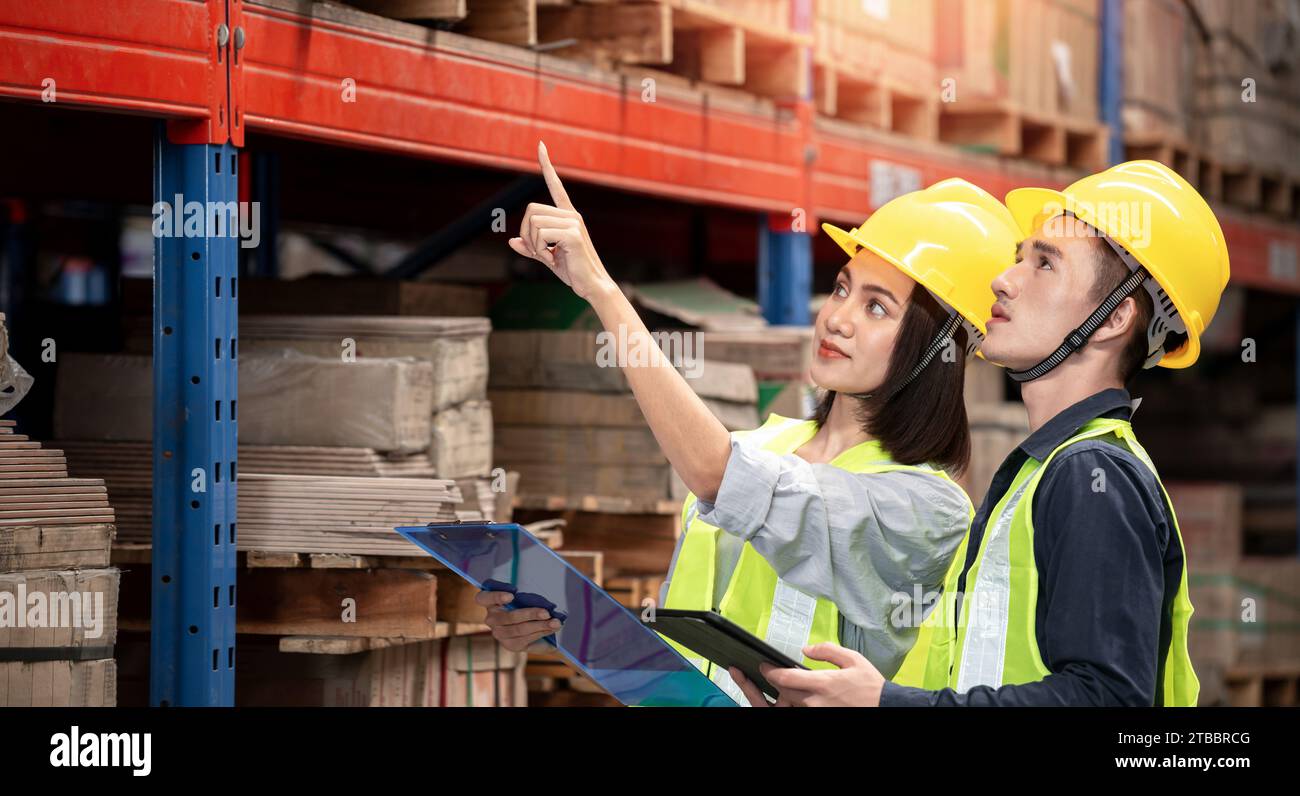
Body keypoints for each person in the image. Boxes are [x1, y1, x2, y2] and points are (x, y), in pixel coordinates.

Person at [475, 141, 1020, 705]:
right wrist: (558, 623)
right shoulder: (762, 445)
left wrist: (602, 291)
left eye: (876, 306)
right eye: (841, 288)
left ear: (935, 351)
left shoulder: (928, 509)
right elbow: (681, 667)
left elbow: (720, 475)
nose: (837, 318)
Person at [731, 160, 1228, 707]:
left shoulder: (1092, 476)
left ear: (1113, 319)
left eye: (1044, 264)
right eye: (1020, 257)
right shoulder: (1044, 472)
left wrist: (884, 704)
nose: (1003, 279)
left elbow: (1103, 699)